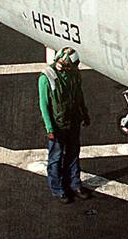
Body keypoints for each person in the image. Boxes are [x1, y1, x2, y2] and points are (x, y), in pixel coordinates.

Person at [39, 47, 90, 203]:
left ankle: (74, 184)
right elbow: (44, 105)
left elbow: (79, 94)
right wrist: (49, 128)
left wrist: (84, 113)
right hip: (58, 125)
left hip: (73, 120)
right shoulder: (46, 78)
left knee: (74, 153)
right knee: (56, 157)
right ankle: (58, 189)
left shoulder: (74, 73)